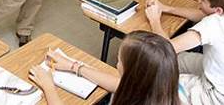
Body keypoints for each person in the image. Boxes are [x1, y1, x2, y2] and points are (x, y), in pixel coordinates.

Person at [145, 0, 224, 105]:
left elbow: (166, 48)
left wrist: (154, 20)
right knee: (178, 59)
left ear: (218, 10)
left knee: (157, 83)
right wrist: (167, 8)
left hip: (218, 96)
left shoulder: (213, 24)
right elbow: (203, 15)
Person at [29, 31, 182, 105]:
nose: (116, 64)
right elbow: (119, 84)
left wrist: (48, 86)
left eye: (120, 60)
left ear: (133, 73)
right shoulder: (163, 91)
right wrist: (74, 66)